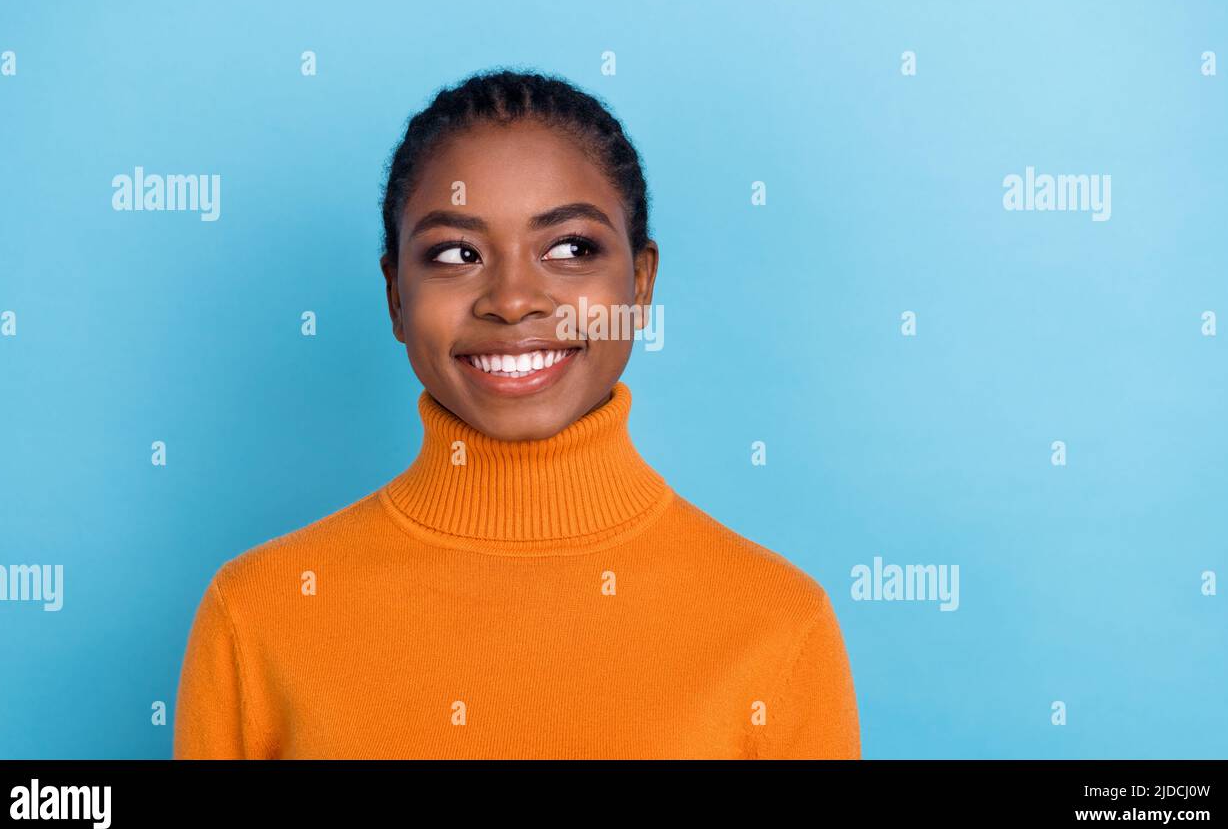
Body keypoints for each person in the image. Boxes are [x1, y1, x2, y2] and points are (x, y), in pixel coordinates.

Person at [173, 68, 861, 759]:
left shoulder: (779, 624)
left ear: (641, 283)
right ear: (395, 297)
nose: (512, 299)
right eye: (457, 253)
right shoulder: (258, 614)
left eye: (570, 249)